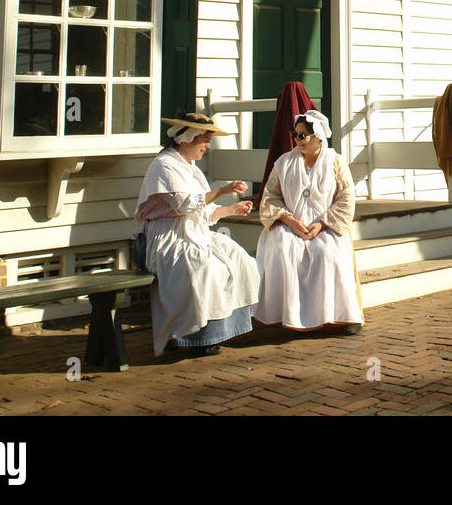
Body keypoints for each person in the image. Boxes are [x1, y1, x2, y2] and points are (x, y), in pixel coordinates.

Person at [133, 112, 261, 357]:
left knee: (238, 258)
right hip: (167, 239)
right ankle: (187, 336)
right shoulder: (164, 165)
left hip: (194, 233)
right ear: (187, 139)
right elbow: (185, 205)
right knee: (202, 266)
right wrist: (222, 190)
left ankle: (214, 332)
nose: (207, 146)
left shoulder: (190, 168)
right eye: (204, 140)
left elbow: (205, 212)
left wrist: (231, 209)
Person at [255, 110, 364, 333]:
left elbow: (346, 197)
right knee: (283, 248)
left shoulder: (336, 162)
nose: (298, 140)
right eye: (296, 135)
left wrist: (322, 224)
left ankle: (341, 315)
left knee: (326, 253)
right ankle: (286, 315)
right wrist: (289, 220)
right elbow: (270, 197)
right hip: (290, 223)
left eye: (303, 136)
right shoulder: (284, 163)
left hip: (325, 224)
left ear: (319, 136)